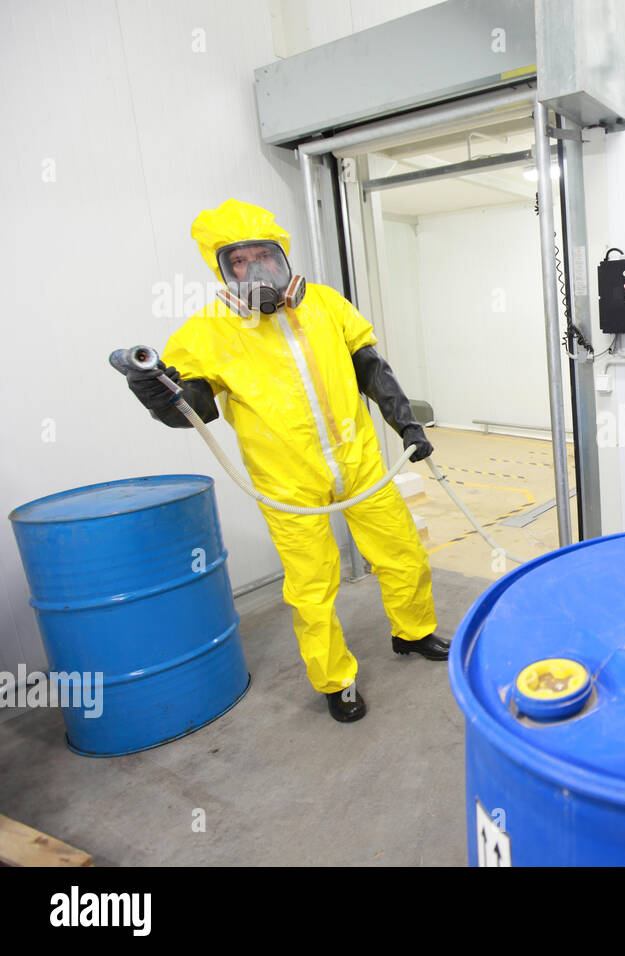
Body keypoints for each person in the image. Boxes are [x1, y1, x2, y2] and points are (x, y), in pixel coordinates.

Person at [125, 198, 446, 723]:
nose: (255, 269)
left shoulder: (324, 304)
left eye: (262, 255)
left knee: (402, 551)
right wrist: (160, 395)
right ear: (223, 269)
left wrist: (406, 424)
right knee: (313, 586)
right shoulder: (207, 332)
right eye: (240, 261)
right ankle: (335, 680)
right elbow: (195, 408)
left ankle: (414, 632)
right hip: (286, 480)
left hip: (359, 459)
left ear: (282, 256)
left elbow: (370, 367)